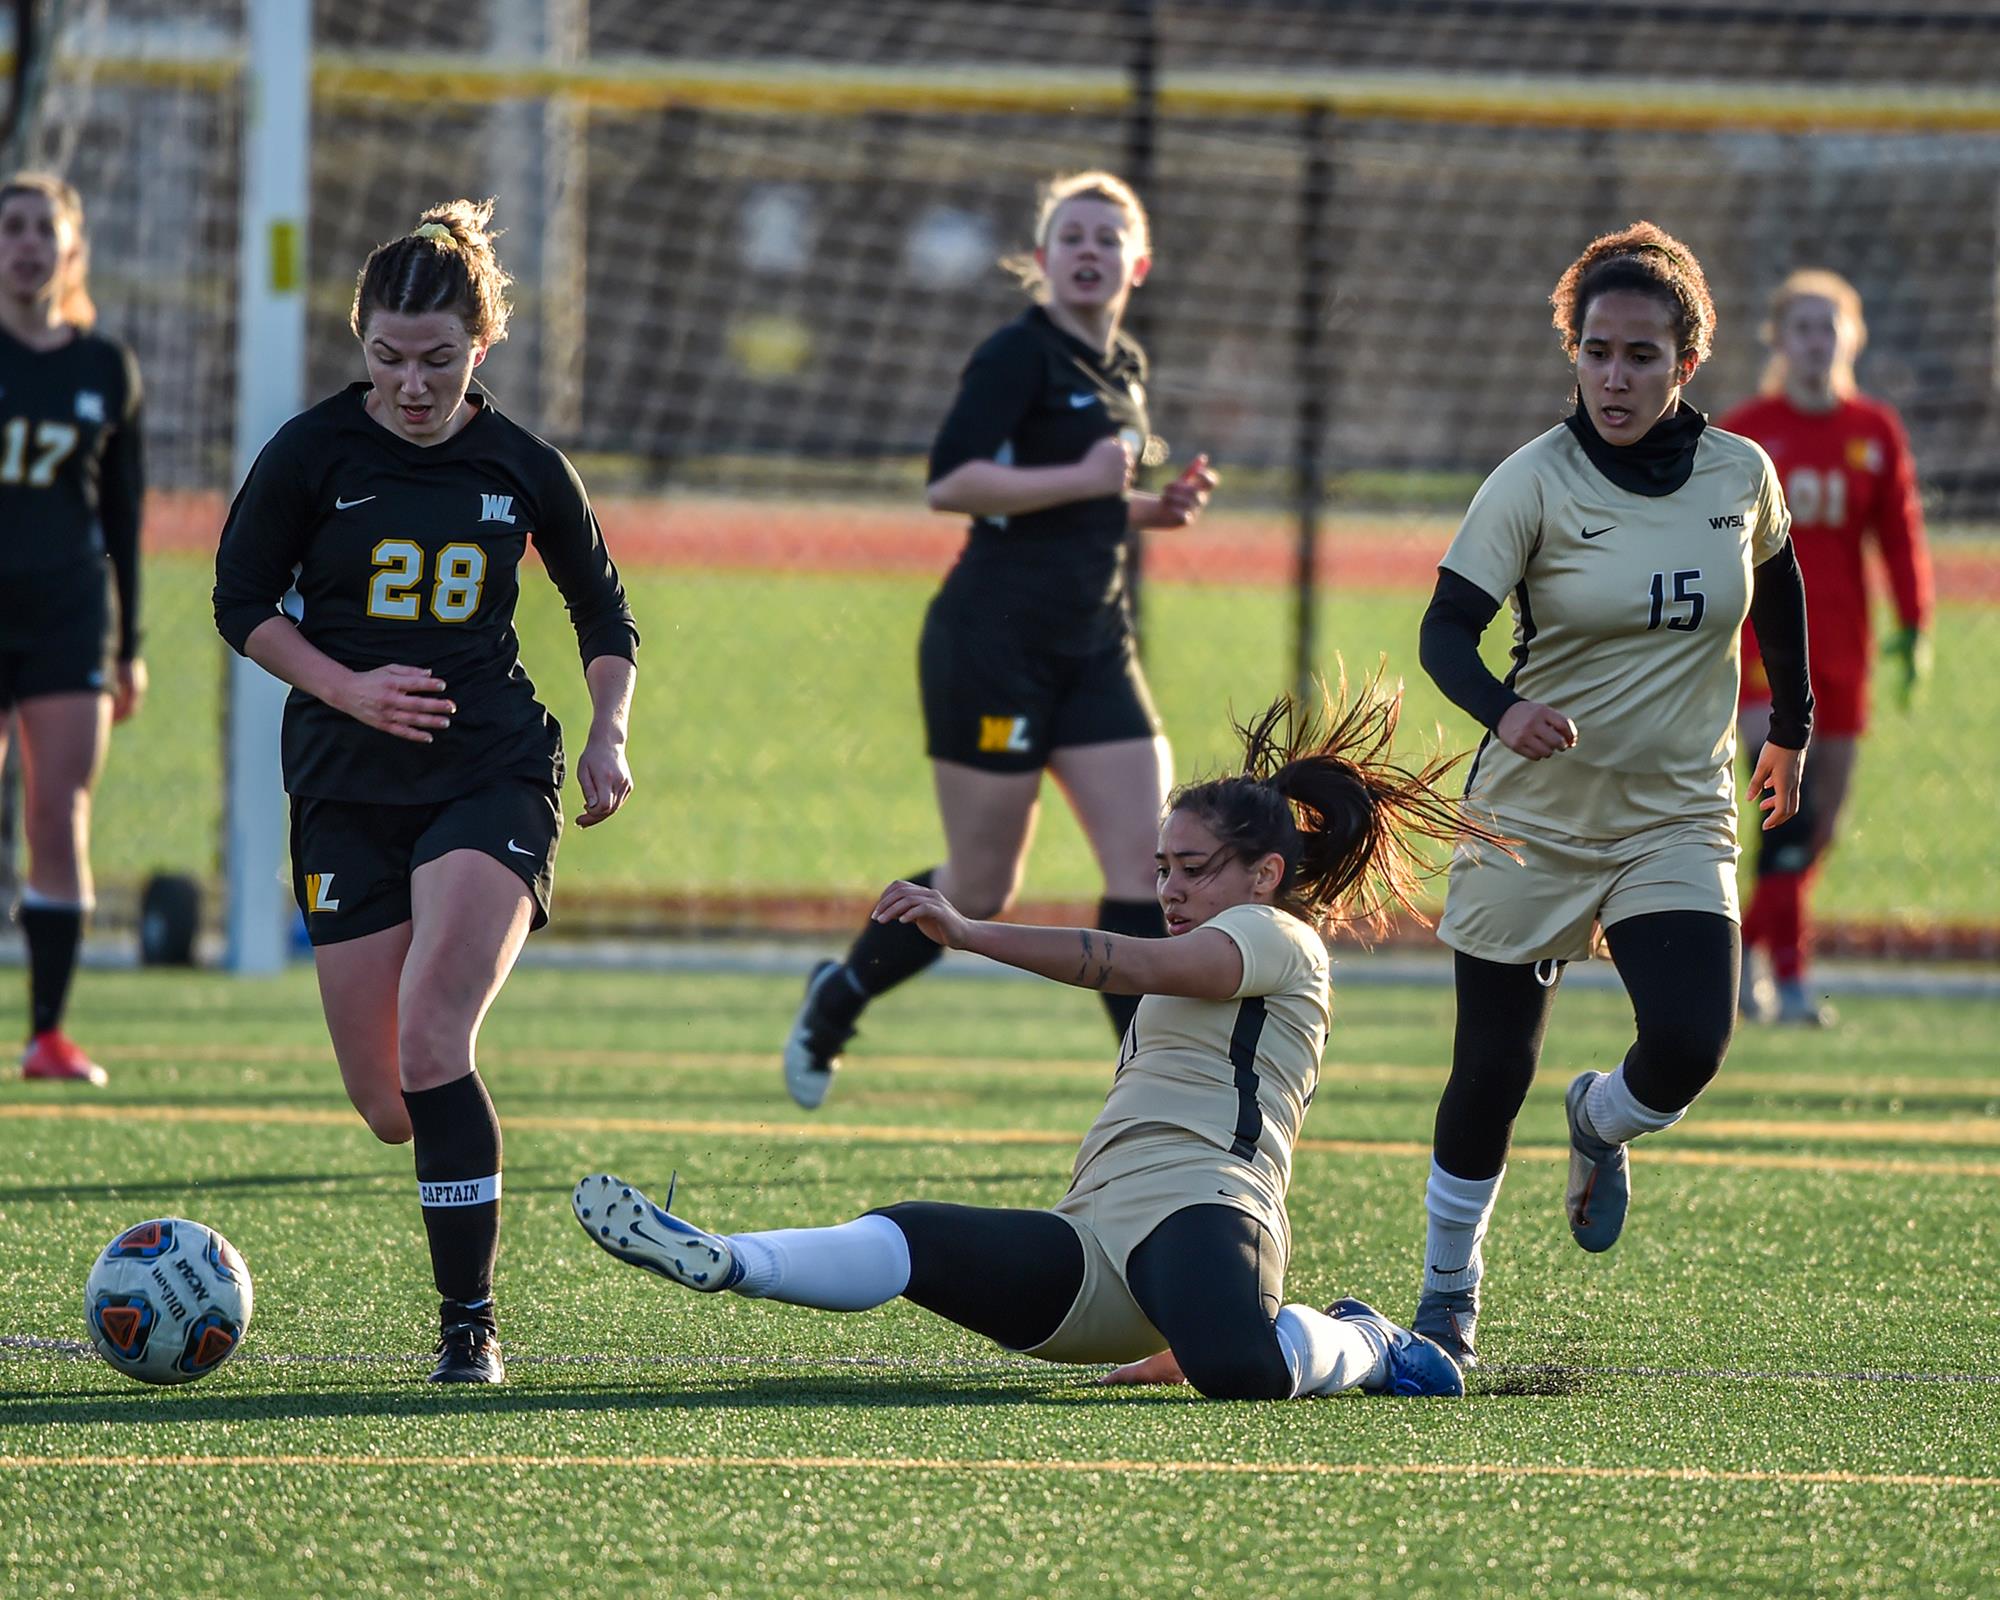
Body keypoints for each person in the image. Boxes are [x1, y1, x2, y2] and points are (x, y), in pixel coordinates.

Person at [579, 686, 1499, 1401]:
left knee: (1240, 1372)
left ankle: (1366, 1338)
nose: (1169, 890)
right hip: (1094, 1237)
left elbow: (1119, 960)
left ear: (1264, 874)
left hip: (1206, 1205)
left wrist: (971, 931)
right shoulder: (1210, 938)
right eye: (1161, 869)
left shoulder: (1276, 935)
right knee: (910, 1236)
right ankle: (733, 1260)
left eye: (1193, 869)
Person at [212, 199, 639, 1384]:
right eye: (389, 357)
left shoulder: (522, 466)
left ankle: (468, 1325)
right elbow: (240, 601)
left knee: (436, 1032)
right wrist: (347, 689)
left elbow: (603, 611)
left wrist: (607, 731)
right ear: (361, 343)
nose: (412, 384)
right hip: (344, 783)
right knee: (391, 1099)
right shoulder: (310, 454)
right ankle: (455, 1180)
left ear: (481, 345)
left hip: (488, 767)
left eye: (438, 360)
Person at [1408, 222, 1813, 1371]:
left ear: (1686, 360)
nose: (1615, 376)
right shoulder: (1531, 479)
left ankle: (1597, 1121)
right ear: (1571, 355)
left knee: (1687, 1041)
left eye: (1641, 355)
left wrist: (1789, 730)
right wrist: (1502, 712)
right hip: (1531, 815)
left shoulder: (1739, 473)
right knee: (1490, 1072)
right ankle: (1446, 1297)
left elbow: (1777, 582)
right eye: (1595, 352)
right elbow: (1443, 633)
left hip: (1676, 810)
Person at [782, 170, 1219, 1110]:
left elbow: (1085, 498)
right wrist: (1087, 480)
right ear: (1043, 259)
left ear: (1139, 264)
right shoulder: (1016, 356)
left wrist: (1153, 510)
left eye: (1109, 237)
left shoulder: (1124, 365)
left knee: (1145, 863)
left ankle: (1153, 1090)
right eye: (1073, 236)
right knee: (982, 886)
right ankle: (840, 995)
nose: (1090, 251)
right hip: (993, 649)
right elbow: (952, 484)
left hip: (1095, 646)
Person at [1720, 270, 1932, 1027]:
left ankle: (1738, 959)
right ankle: (1787, 981)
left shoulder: (1874, 430)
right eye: (1802, 327)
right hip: (1762, 657)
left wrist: (1914, 622)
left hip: (1842, 655)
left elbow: (1899, 534)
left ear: (1853, 337)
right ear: (1779, 339)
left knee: (1820, 827)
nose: (1816, 341)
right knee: (1789, 815)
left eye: (1828, 326)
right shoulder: (1747, 431)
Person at [0, 173, 146, 1086]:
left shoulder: (105, 368)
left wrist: (130, 648)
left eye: (41, 230)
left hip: (67, 617)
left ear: (71, 248)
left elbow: (124, 515)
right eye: (11, 228)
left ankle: (47, 1035)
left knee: (58, 818)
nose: (26, 245)